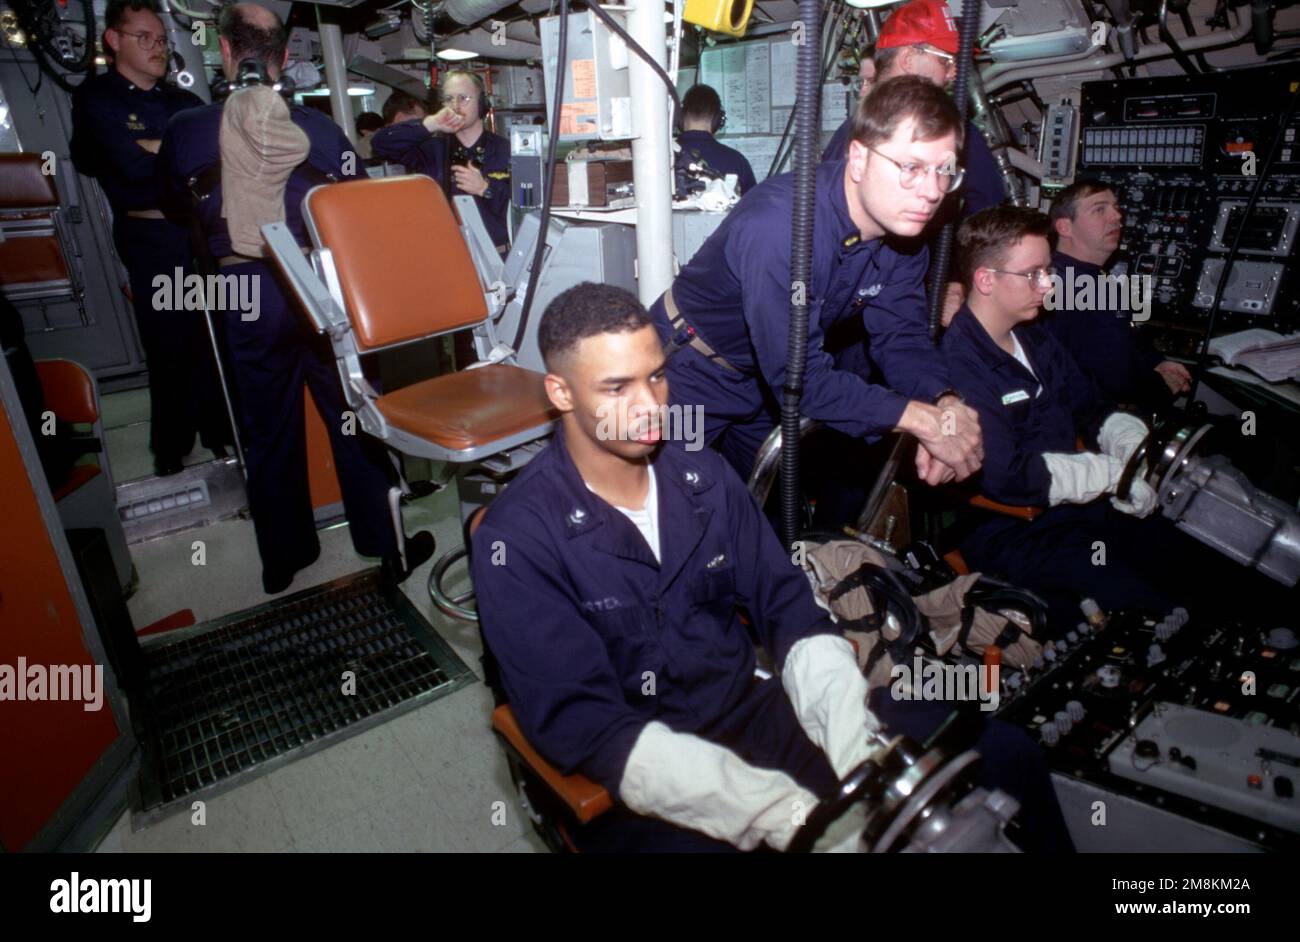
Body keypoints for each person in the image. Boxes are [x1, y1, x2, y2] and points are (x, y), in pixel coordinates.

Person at [472, 282, 1070, 852]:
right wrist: (782, 815)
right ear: (561, 393)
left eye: (656, 377)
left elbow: (788, 607)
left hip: (749, 715)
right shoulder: (518, 539)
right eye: (616, 388)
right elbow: (588, 727)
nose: (649, 406)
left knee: (1002, 753)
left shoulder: (700, 476)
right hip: (633, 775)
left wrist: (852, 745)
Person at [157, 2, 432, 594]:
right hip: (317, 285)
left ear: (226, 53)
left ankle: (283, 559)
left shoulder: (185, 130)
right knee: (354, 413)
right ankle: (383, 542)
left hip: (242, 288)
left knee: (265, 426)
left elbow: (176, 206)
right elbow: (358, 205)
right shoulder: (321, 129)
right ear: (284, 59)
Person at [941, 206, 1281, 627]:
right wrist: (1106, 475)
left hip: (1083, 505)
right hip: (1018, 528)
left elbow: (1090, 404)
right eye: (1032, 274)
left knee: (1211, 565)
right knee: (1152, 612)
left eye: (1048, 270)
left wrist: (1126, 442)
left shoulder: (1032, 334)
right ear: (986, 279)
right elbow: (1006, 476)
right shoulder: (954, 365)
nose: (1047, 285)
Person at [652, 76, 983, 489]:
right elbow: (800, 377)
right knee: (683, 510)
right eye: (912, 168)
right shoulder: (780, 225)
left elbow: (902, 337)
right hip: (688, 370)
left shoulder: (905, 237)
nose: (932, 192)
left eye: (944, 171)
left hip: (762, 384)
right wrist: (921, 421)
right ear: (859, 159)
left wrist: (943, 404)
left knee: (759, 513)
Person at [70, 0, 230, 476]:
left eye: (161, 39)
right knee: (168, 341)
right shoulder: (97, 100)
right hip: (150, 236)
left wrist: (160, 149)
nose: (157, 48)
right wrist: (173, 154)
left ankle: (221, 431)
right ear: (114, 40)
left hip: (198, 233)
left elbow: (217, 161)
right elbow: (131, 168)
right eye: (144, 38)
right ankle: (171, 444)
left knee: (212, 334)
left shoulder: (183, 102)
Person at [821, 0, 1004, 218]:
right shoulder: (850, 136)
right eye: (945, 61)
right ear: (908, 59)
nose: (953, 73)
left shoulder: (851, 131)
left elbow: (987, 205)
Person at [1045, 180, 1190, 415]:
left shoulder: (1088, 277)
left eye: (1115, 208)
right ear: (1065, 227)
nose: (1116, 217)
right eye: (1100, 209)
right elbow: (1117, 380)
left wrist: (1157, 362)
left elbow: (1127, 338)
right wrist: (1163, 385)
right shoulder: (1072, 289)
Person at [369, 71, 512, 252]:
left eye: (463, 98)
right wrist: (431, 124)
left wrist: (486, 189)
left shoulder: (507, 151)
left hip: (499, 257)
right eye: (448, 99)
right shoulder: (431, 150)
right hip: (449, 257)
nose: (455, 106)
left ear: (482, 103)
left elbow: (525, 212)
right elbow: (380, 144)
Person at [674, 84, 757, 196]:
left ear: (679, 116)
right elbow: (754, 207)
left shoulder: (660, 158)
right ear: (719, 120)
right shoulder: (737, 161)